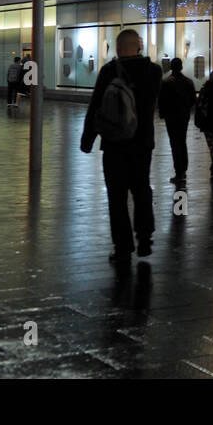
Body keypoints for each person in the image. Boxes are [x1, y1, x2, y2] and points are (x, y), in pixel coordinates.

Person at [80, 29, 163, 264]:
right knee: (142, 190)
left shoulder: (108, 71)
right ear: (139, 46)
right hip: (143, 143)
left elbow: (96, 105)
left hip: (114, 144)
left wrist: (88, 139)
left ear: (117, 48)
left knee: (117, 198)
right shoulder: (154, 71)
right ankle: (145, 239)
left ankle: (123, 246)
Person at [158, 57, 197, 184]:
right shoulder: (189, 82)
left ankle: (178, 171)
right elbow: (192, 100)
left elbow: (162, 100)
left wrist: (162, 113)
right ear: (181, 67)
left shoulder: (166, 82)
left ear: (171, 67)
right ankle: (183, 170)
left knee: (174, 143)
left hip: (171, 116)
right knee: (182, 141)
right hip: (183, 115)